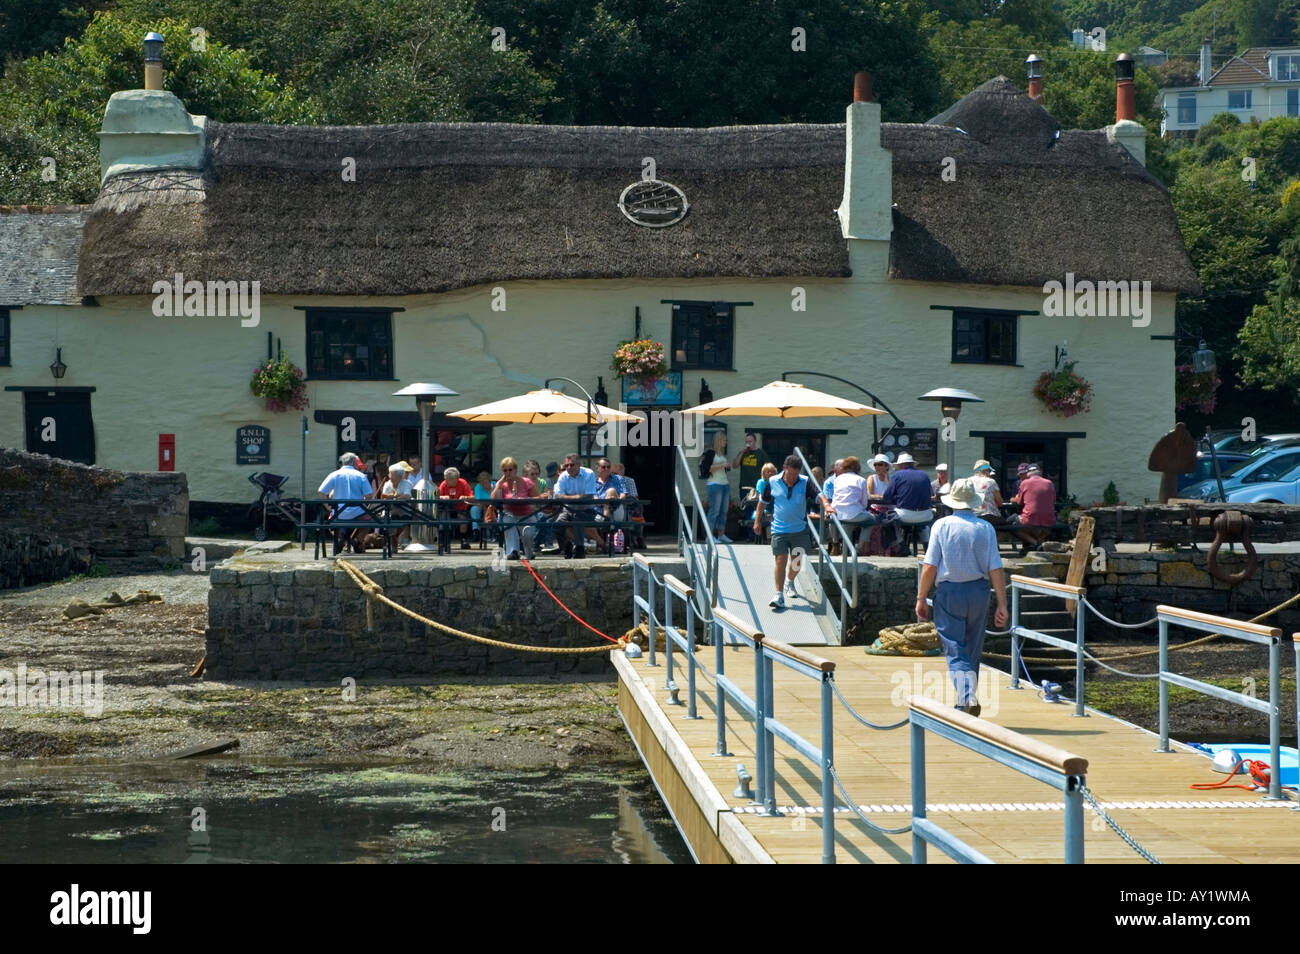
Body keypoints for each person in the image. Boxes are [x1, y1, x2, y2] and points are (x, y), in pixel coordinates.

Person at [914, 478, 1009, 716]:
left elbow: (929, 567)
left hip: (950, 591)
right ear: (973, 502)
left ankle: (967, 696)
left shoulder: (941, 526)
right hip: (979, 591)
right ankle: (966, 699)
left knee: (955, 649)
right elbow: (995, 568)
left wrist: (921, 598)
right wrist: (1002, 604)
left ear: (951, 502)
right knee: (973, 649)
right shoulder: (985, 527)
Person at [753, 455, 820, 609]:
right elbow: (762, 503)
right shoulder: (773, 481)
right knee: (780, 559)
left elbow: (819, 495)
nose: (793, 478)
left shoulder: (805, 481)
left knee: (797, 561)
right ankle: (778, 594)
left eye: (796, 474)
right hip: (779, 529)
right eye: (790, 474)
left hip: (799, 530)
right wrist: (757, 521)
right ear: (784, 469)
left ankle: (790, 582)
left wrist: (827, 505)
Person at [318, 452, 374, 554]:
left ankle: (340, 537)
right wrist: (363, 504)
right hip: (358, 513)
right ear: (354, 463)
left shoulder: (334, 475)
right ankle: (358, 539)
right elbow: (369, 495)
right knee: (370, 521)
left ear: (342, 462)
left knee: (331, 520)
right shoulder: (361, 476)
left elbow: (321, 491)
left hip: (339, 513)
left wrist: (328, 507)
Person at [821, 456, 876, 546]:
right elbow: (864, 503)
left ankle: (839, 546)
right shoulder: (861, 480)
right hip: (853, 513)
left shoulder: (837, 479)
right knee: (872, 520)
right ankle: (860, 547)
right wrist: (858, 509)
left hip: (836, 513)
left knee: (848, 521)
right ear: (857, 468)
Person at [554, 453, 600, 558]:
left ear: (579, 464)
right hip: (568, 510)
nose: (568, 468)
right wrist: (576, 497)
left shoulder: (589, 474)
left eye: (572, 465)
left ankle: (579, 549)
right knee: (557, 525)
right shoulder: (563, 476)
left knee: (577, 520)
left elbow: (588, 495)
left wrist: (568, 497)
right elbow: (558, 496)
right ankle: (566, 546)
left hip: (587, 510)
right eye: (566, 465)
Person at [491, 456, 538, 559]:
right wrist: (499, 484)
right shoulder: (502, 485)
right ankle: (513, 552)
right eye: (505, 470)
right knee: (508, 522)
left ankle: (529, 553)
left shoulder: (526, 482)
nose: (508, 472)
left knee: (528, 534)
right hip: (509, 512)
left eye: (510, 469)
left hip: (526, 513)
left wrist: (525, 500)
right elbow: (493, 500)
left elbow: (537, 498)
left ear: (515, 470)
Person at [884, 453, 935, 547]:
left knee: (887, 519)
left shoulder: (897, 475)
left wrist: (897, 497)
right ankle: (927, 546)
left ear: (900, 465)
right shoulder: (924, 475)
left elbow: (887, 497)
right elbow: (930, 494)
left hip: (905, 514)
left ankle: (901, 544)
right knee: (922, 525)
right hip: (926, 514)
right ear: (912, 464)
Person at [1010, 463, 1056, 556]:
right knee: (1039, 525)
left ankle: (1034, 543)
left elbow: (1019, 502)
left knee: (1010, 525)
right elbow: (1053, 500)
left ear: (1028, 474)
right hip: (1049, 520)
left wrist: (1013, 499)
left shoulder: (1025, 483)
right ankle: (1039, 543)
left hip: (1029, 519)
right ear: (1040, 473)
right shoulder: (1049, 483)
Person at [701, 432, 733, 544]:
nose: (725, 442)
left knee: (724, 511)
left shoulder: (722, 453)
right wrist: (722, 465)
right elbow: (706, 468)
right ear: (719, 440)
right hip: (714, 484)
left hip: (725, 484)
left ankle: (721, 534)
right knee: (714, 511)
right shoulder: (710, 453)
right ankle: (709, 536)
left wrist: (727, 466)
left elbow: (723, 469)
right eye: (724, 440)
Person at [611, 461, 646, 550]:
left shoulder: (629, 481)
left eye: (616, 473)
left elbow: (634, 496)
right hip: (614, 505)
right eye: (613, 473)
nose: (615, 475)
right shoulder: (609, 481)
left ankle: (638, 537)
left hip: (628, 505)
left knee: (635, 512)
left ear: (622, 473)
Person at [437, 466, 474, 551]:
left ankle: (463, 539)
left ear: (456, 478)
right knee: (443, 516)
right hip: (447, 508)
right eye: (446, 479)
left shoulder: (463, 483)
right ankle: (443, 539)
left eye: (449, 479)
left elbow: (472, 496)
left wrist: (465, 497)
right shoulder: (443, 484)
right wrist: (443, 497)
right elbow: (437, 497)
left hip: (460, 508)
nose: (447, 481)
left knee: (463, 517)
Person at [380, 462, 413, 551]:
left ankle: (395, 539)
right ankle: (393, 541)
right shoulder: (387, 483)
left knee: (404, 521)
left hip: (404, 510)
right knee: (389, 522)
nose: (388, 475)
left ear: (398, 476)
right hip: (390, 510)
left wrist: (394, 496)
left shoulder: (405, 483)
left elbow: (407, 496)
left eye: (390, 473)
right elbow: (384, 496)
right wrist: (397, 496)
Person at [732, 432, 771, 497]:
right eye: (746, 442)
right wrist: (741, 453)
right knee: (745, 506)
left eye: (750, 441)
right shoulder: (743, 453)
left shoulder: (761, 453)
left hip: (756, 487)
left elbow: (768, 468)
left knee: (755, 507)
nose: (748, 444)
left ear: (755, 441)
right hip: (744, 487)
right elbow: (734, 466)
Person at [970, 460, 1005, 528]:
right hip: (989, 515)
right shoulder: (991, 481)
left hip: (973, 515)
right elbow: (1000, 502)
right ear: (986, 471)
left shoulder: (968, 481)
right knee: (1007, 525)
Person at [750, 462, 778, 542]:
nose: (770, 473)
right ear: (763, 473)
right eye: (767, 471)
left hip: (775, 506)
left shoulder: (776, 482)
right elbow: (762, 496)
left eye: (771, 471)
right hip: (765, 507)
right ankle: (770, 539)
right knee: (769, 515)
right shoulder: (761, 482)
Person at [471, 470, 494, 544]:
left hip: (494, 507)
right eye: (481, 483)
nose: (483, 485)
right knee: (474, 509)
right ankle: (476, 531)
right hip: (482, 506)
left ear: (490, 481)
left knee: (489, 510)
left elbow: (497, 499)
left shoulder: (495, 485)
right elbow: (478, 500)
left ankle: (490, 534)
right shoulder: (478, 487)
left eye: (485, 482)